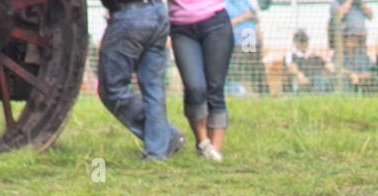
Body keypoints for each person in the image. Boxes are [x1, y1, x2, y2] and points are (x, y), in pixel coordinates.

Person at [97, 0, 184, 161]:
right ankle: (157, 151)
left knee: (112, 89)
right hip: (158, 13)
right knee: (154, 88)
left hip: (129, 15)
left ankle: (167, 136)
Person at [169, 0, 235, 162]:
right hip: (181, 28)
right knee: (194, 88)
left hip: (215, 23)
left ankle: (215, 151)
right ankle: (202, 143)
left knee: (215, 89)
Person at [225, 0, 269, 95]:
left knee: (254, 69)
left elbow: (255, 21)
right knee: (238, 70)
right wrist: (242, 17)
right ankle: (239, 93)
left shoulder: (245, 2)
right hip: (235, 42)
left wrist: (261, 43)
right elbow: (224, 25)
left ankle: (258, 94)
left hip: (250, 40)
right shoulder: (223, 4)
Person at [283, 28, 333, 94]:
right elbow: (290, 67)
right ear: (295, 42)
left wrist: (330, 67)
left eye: (305, 41)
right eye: (301, 41)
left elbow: (325, 63)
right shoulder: (291, 55)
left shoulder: (313, 54)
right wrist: (299, 75)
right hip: (301, 82)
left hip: (316, 81)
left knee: (320, 79)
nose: (304, 44)